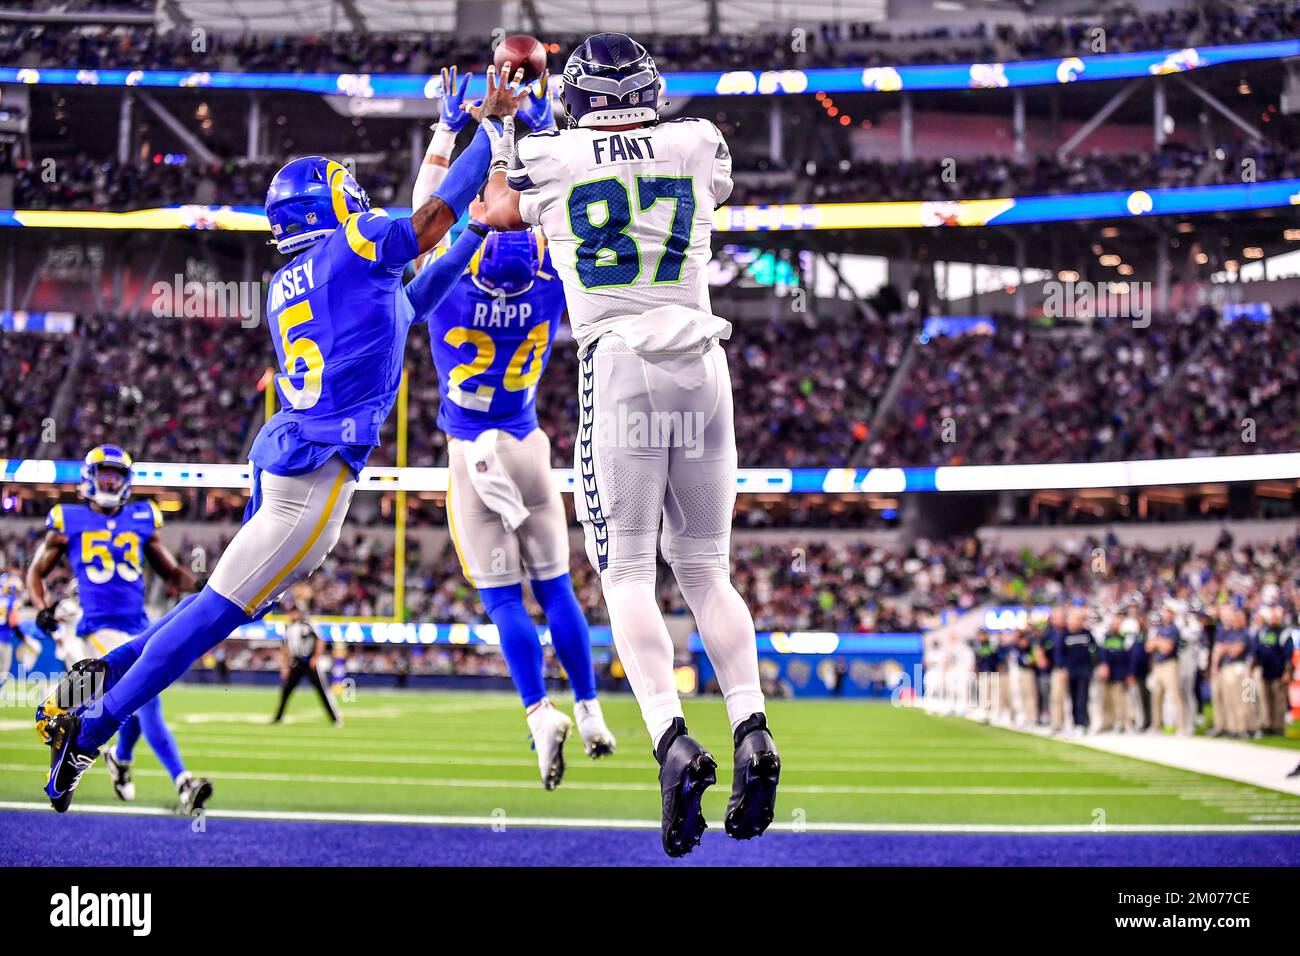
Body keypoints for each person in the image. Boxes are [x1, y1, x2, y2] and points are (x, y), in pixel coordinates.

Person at [35, 67, 526, 813]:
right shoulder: (356, 246)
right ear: (330, 202)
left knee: (207, 609)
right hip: (312, 479)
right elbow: (428, 222)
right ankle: (93, 725)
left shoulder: (301, 276)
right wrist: (488, 132)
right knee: (209, 618)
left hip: (298, 463)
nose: (358, 198)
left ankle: (87, 688)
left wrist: (471, 209)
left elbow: (415, 296)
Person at [479, 33, 778, 857]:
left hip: (619, 362)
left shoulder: (551, 152)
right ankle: (752, 725)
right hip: (703, 359)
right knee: (708, 570)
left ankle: (672, 740)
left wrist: (504, 124)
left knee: (627, 575)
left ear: (575, 95)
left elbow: (493, 213)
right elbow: (694, 176)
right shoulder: (698, 139)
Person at [406, 68, 615, 789]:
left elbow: (427, 211)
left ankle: (539, 714)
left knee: (503, 598)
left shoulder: (453, 282)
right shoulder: (553, 281)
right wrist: (546, 121)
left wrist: (454, 129)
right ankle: (590, 710)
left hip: (472, 452)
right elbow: (553, 206)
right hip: (528, 445)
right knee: (557, 587)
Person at [27, 445, 212, 813]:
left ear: (126, 482)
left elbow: (171, 571)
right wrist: (42, 607)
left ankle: (120, 760)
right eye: (104, 474)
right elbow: (36, 572)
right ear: (88, 479)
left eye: (117, 475)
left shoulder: (143, 517)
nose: (110, 481)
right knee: (147, 699)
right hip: (96, 627)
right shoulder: (68, 519)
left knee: (139, 697)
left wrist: (205, 586)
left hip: (139, 625)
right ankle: (183, 782)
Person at [271, 603, 341, 725]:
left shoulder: (307, 624)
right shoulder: (288, 627)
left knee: (322, 690)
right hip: (296, 662)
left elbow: (320, 640)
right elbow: (286, 648)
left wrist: (315, 658)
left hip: (308, 661)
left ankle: (335, 718)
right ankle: (278, 717)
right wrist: (285, 665)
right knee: (286, 690)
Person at [1249, 605, 1291, 736]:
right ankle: (1268, 725)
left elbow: (1288, 654)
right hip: (1265, 671)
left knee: (1279, 701)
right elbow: (1258, 651)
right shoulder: (1265, 632)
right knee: (1266, 700)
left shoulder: (1284, 633)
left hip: (1278, 671)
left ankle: (1279, 727)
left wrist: (1287, 671)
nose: (1273, 619)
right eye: (1272, 617)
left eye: (1276, 617)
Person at [1145, 601, 1184, 733]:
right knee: (1156, 696)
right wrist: (1159, 643)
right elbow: (1149, 646)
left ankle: (1181, 726)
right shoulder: (1160, 628)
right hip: (1158, 665)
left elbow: (1167, 648)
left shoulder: (1174, 629)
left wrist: (1158, 643)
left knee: (1174, 695)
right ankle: (1157, 725)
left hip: (1170, 664)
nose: (1165, 613)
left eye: (1168, 611)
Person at [1059, 604, 1097, 734]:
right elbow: (1060, 654)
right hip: (1071, 670)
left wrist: (1094, 666)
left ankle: (1083, 722)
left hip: (1084, 670)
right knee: (1073, 698)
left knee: (1083, 698)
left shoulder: (1087, 634)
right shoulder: (1065, 635)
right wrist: (1062, 669)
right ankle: (1075, 722)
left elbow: (1095, 651)